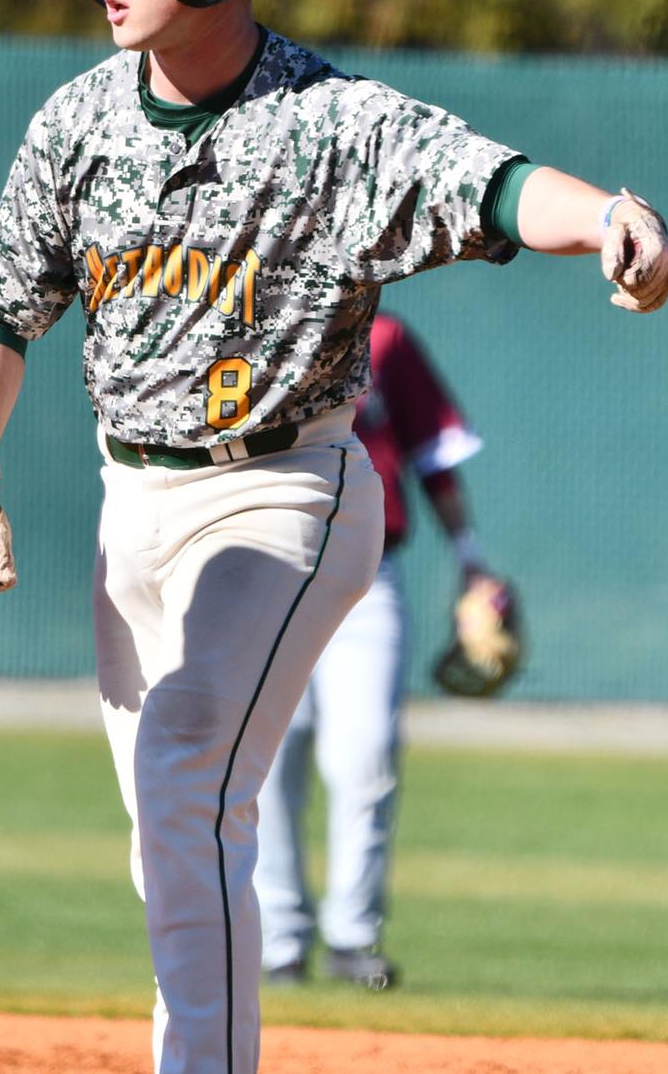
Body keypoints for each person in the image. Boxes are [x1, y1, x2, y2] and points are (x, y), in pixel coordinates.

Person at [0, 0, 668, 1074]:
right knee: (167, 823)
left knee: (184, 773)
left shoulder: (329, 125)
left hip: (285, 492)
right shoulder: (76, 123)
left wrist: (606, 215)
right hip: (132, 503)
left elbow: (491, 184)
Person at [252, 310, 500, 991]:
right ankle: (279, 939)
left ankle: (353, 937)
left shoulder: (383, 336)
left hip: (368, 570)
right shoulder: (245, 320)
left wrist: (471, 558)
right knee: (268, 761)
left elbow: (432, 452)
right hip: (264, 567)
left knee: (366, 753)